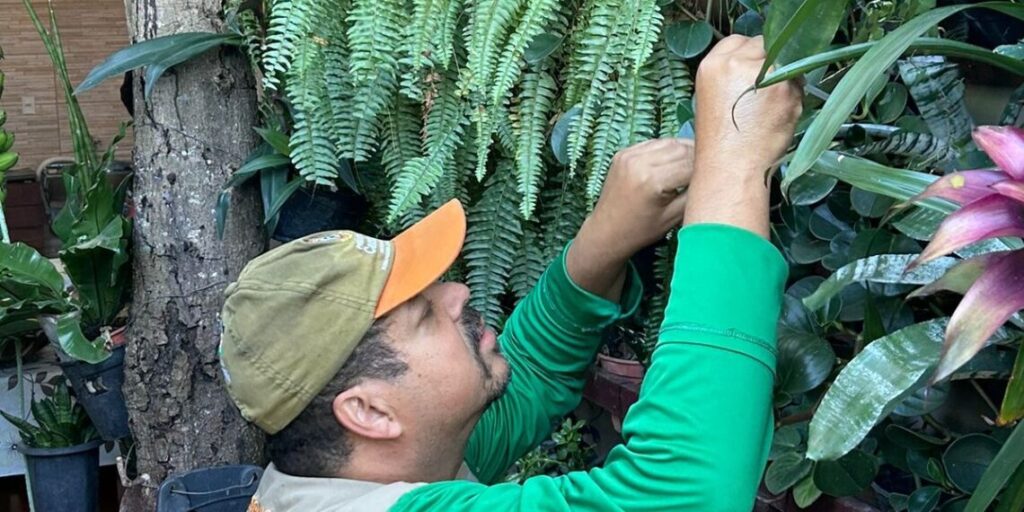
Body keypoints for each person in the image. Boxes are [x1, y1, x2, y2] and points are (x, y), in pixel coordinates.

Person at [219, 35, 803, 511]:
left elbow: (528, 379)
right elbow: (687, 493)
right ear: (369, 412)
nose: (458, 292)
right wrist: (734, 163)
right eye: (423, 313)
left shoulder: (370, 468)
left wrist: (604, 239)